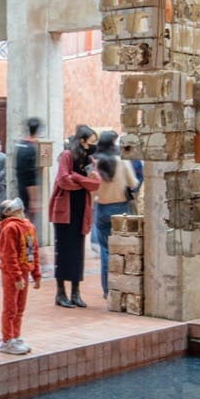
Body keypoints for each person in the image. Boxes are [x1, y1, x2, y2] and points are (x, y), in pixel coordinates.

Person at [49, 126, 101, 308]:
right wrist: (84, 182)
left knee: (78, 252)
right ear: (82, 141)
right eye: (92, 141)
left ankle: (76, 292)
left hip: (81, 210)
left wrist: (77, 178)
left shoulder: (90, 160)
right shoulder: (67, 156)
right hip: (65, 211)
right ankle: (60, 293)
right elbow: (63, 180)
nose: (94, 145)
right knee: (64, 252)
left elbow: (96, 184)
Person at [91, 130, 140, 300]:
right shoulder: (121, 161)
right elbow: (134, 183)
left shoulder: (94, 162)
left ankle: (107, 289)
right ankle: (122, 288)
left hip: (101, 208)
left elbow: (91, 188)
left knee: (105, 250)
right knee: (123, 249)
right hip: (120, 208)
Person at [0, 198, 40, 355]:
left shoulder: (28, 227)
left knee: (19, 308)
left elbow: (33, 251)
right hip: (12, 274)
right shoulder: (10, 228)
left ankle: (15, 336)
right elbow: (9, 255)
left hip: (24, 272)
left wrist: (36, 273)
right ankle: (7, 340)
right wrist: (17, 277)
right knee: (11, 308)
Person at [14, 119, 43, 240]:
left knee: (23, 219)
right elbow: (30, 175)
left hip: (20, 187)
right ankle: (29, 251)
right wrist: (34, 199)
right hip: (28, 191)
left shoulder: (20, 145)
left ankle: (25, 249)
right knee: (29, 224)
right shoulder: (31, 148)